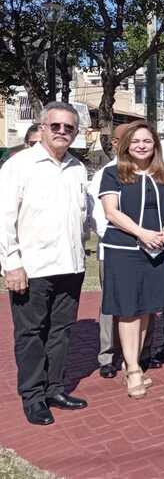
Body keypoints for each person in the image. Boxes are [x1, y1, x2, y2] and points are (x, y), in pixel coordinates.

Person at [0, 102, 88, 425]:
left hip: (71, 265)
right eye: (56, 126)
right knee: (31, 334)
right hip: (32, 269)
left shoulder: (78, 168)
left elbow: (83, 216)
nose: (63, 131)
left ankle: (54, 388)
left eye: (69, 127)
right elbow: (4, 218)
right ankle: (33, 397)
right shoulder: (18, 165)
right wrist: (11, 263)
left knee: (61, 332)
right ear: (42, 127)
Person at [98, 123, 164, 399]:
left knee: (146, 308)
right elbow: (111, 212)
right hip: (125, 250)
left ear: (155, 144)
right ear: (126, 145)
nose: (141, 146)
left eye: (147, 141)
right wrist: (142, 233)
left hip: (158, 249)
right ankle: (133, 368)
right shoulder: (113, 173)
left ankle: (132, 361)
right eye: (135, 141)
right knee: (129, 309)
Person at [88, 121, 156, 378]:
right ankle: (108, 356)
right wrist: (121, 237)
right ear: (118, 143)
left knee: (145, 301)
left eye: (144, 139)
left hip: (148, 248)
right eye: (129, 139)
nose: (138, 144)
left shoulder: (153, 171)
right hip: (115, 249)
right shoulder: (106, 173)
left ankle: (141, 353)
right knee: (113, 304)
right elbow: (99, 214)